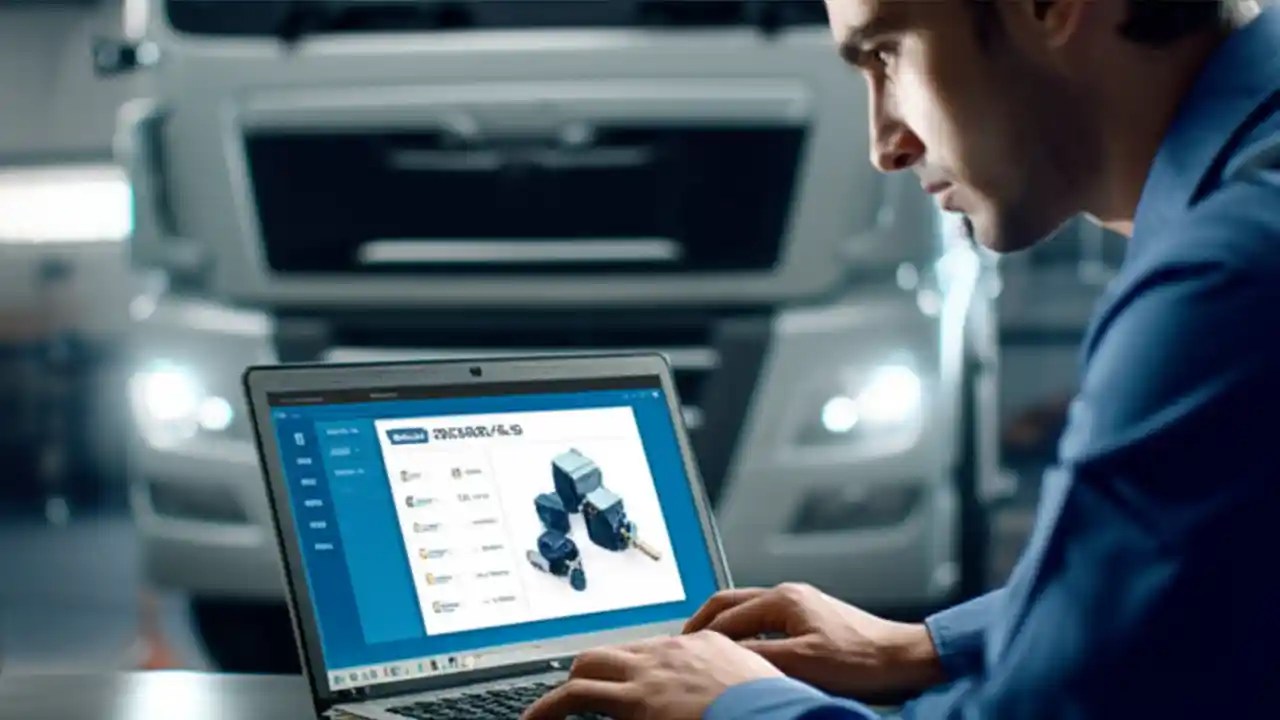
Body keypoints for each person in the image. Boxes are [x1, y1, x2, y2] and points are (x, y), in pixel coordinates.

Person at [522, 0, 1280, 717]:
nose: (887, 145)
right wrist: (922, 646)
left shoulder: (1229, 279)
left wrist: (735, 704)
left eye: (887, 53)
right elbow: (1225, 579)